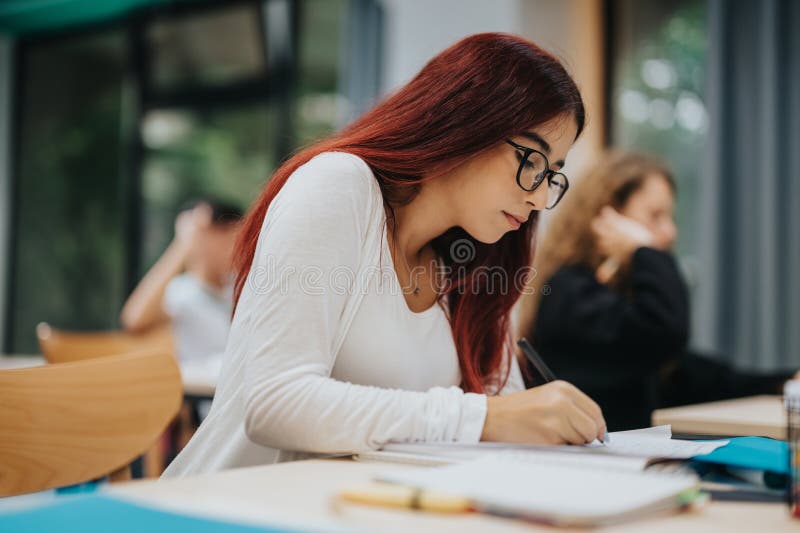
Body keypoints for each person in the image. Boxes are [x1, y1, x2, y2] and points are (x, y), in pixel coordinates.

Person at [163, 33, 608, 478]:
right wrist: (484, 419)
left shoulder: (476, 261)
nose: (539, 198)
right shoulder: (338, 184)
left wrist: (534, 420)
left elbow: (504, 412)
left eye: (553, 175)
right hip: (230, 508)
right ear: (467, 119)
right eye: (532, 161)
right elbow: (276, 403)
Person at [515, 151, 798, 431]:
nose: (670, 231)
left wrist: (783, 382)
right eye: (655, 215)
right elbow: (663, 331)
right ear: (608, 215)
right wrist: (645, 250)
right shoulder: (568, 292)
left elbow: (696, 377)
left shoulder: (621, 300)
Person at [120, 199, 242, 367]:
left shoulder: (240, 287)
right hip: (198, 388)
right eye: (225, 235)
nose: (234, 246)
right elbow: (134, 321)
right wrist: (182, 245)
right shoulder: (181, 292)